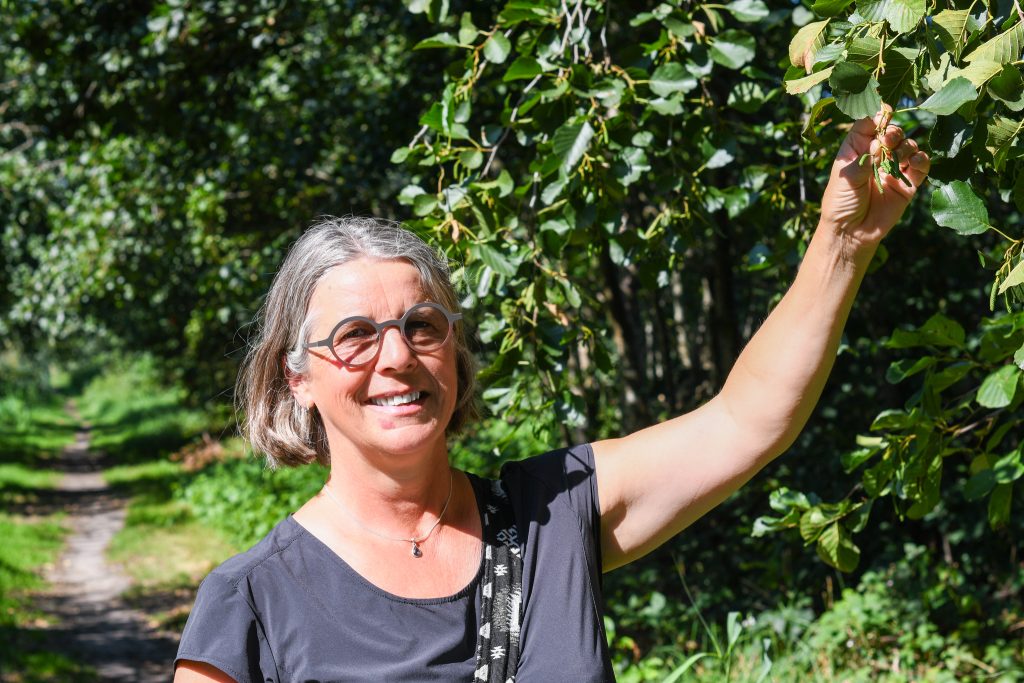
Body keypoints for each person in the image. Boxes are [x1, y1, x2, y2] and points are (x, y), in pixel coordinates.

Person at [174, 108, 930, 682]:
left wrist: (842, 245)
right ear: (295, 377)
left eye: (421, 325)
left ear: (456, 355)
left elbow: (746, 420)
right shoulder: (251, 604)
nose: (397, 357)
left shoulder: (551, 518)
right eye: (356, 335)